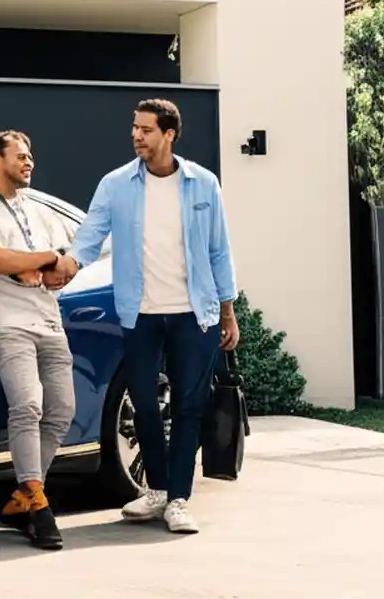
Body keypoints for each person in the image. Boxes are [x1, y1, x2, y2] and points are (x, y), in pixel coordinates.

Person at [51, 98, 239, 534]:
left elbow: (219, 250)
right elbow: (90, 235)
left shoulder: (202, 184)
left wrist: (228, 311)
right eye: (134, 128)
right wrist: (68, 266)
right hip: (141, 315)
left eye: (146, 130)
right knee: (143, 406)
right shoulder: (116, 185)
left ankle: (178, 499)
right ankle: (155, 488)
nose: (137, 136)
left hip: (196, 314)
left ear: (169, 134)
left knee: (190, 407)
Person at [0, 130, 77, 551]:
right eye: (21, 156)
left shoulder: (39, 210)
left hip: (48, 319)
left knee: (61, 410)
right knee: (28, 405)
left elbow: (66, 261)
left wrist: (52, 264)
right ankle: (39, 506)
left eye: (32, 156)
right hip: (6, 324)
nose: (30, 163)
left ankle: (22, 497)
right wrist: (37, 259)